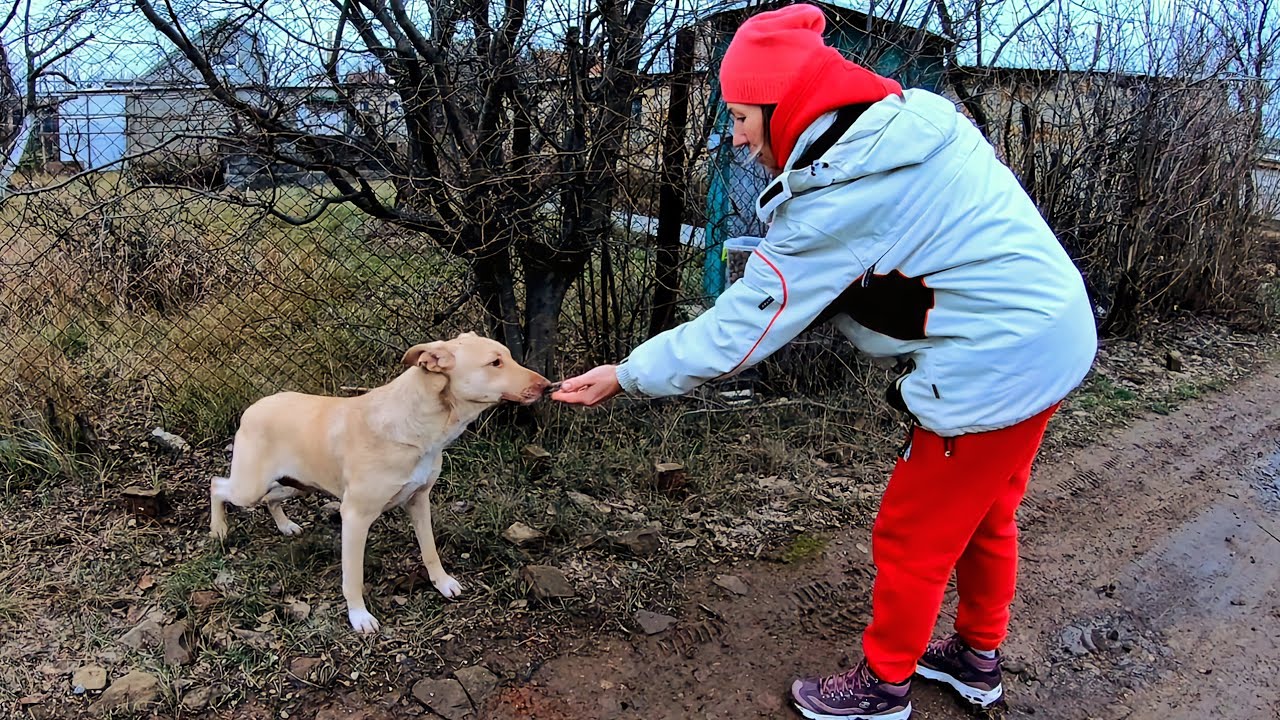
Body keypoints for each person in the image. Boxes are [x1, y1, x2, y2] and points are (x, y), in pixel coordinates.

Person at [551, 3, 1097, 718]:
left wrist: (626, 374)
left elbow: (738, 333)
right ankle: (975, 657)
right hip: (1050, 331)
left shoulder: (838, 196)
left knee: (914, 530)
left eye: (744, 118)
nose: (738, 140)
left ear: (787, 107)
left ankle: (884, 686)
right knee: (987, 510)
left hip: (998, 363)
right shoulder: (914, 121)